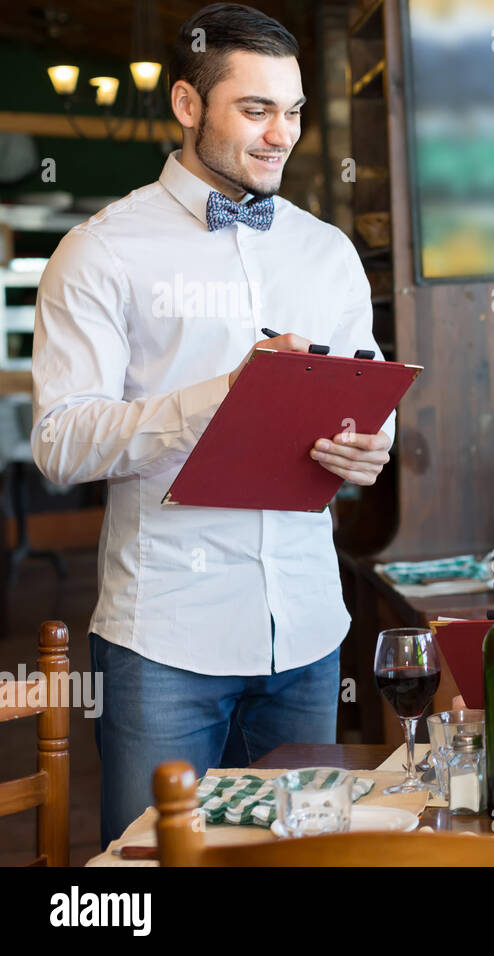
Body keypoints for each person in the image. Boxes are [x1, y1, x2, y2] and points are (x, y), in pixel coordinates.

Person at [31, 3, 394, 847]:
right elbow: (59, 442)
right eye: (256, 109)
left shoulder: (327, 254)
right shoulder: (99, 252)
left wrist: (363, 453)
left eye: (294, 111)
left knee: (295, 866)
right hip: (166, 640)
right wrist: (216, 398)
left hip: (307, 632)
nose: (282, 135)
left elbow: (362, 400)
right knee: (153, 866)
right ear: (189, 106)